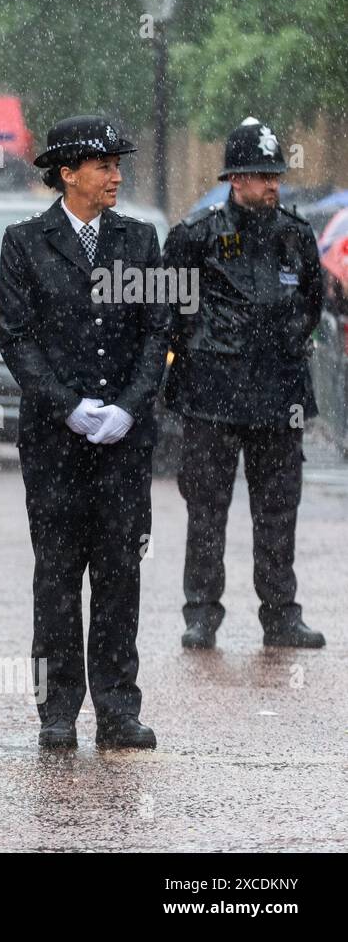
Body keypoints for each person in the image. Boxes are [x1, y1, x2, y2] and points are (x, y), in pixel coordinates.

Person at [0, 115, 168, 750]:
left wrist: (127, 405)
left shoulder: (140, 239)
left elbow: (157, 332)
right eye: (103, 166)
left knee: (121, 572)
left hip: (124, 442)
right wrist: (68, 405)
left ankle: (119, 708)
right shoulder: (25, 241)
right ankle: (58, 708)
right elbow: (17, 338)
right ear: (67, 174)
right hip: (54, 441)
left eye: (119, 165)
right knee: (58, 574)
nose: (116, 175)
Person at [164, 117, 326, 650]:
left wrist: (277, 347)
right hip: (211, 397)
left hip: (280, 400)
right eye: (262, 175)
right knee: (206, 511)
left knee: (279, 510)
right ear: (236, 179)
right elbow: (174, 312)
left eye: (276, 173)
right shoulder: (196, 237)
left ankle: (280, 614)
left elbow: (310, 305)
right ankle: (202, 613)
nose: (273, 183)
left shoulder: (297, 237)